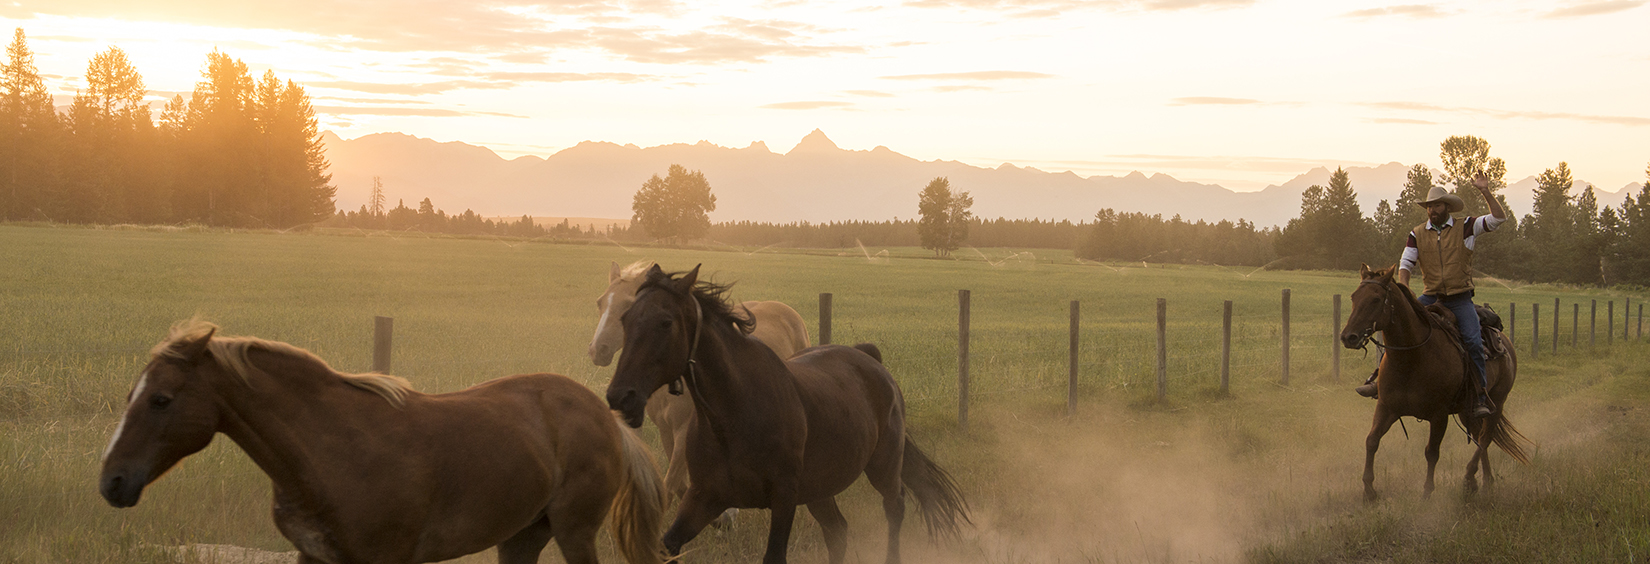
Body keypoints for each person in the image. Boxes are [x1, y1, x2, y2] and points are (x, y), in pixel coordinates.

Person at [1355, 172, 1505, 419]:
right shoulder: (1416, 234)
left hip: (1459, 300)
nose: (1432, 210)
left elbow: (1499, 218)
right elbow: (1406, 262)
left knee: (1473, 341)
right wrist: (1404, 289)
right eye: (1429, 206)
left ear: (1447, 206)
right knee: (1394, 326)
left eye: (1436, 205)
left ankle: (1479, 395)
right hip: (1429, 297)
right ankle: (1379, 380)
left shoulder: (1465, 227)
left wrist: (1485, 191)